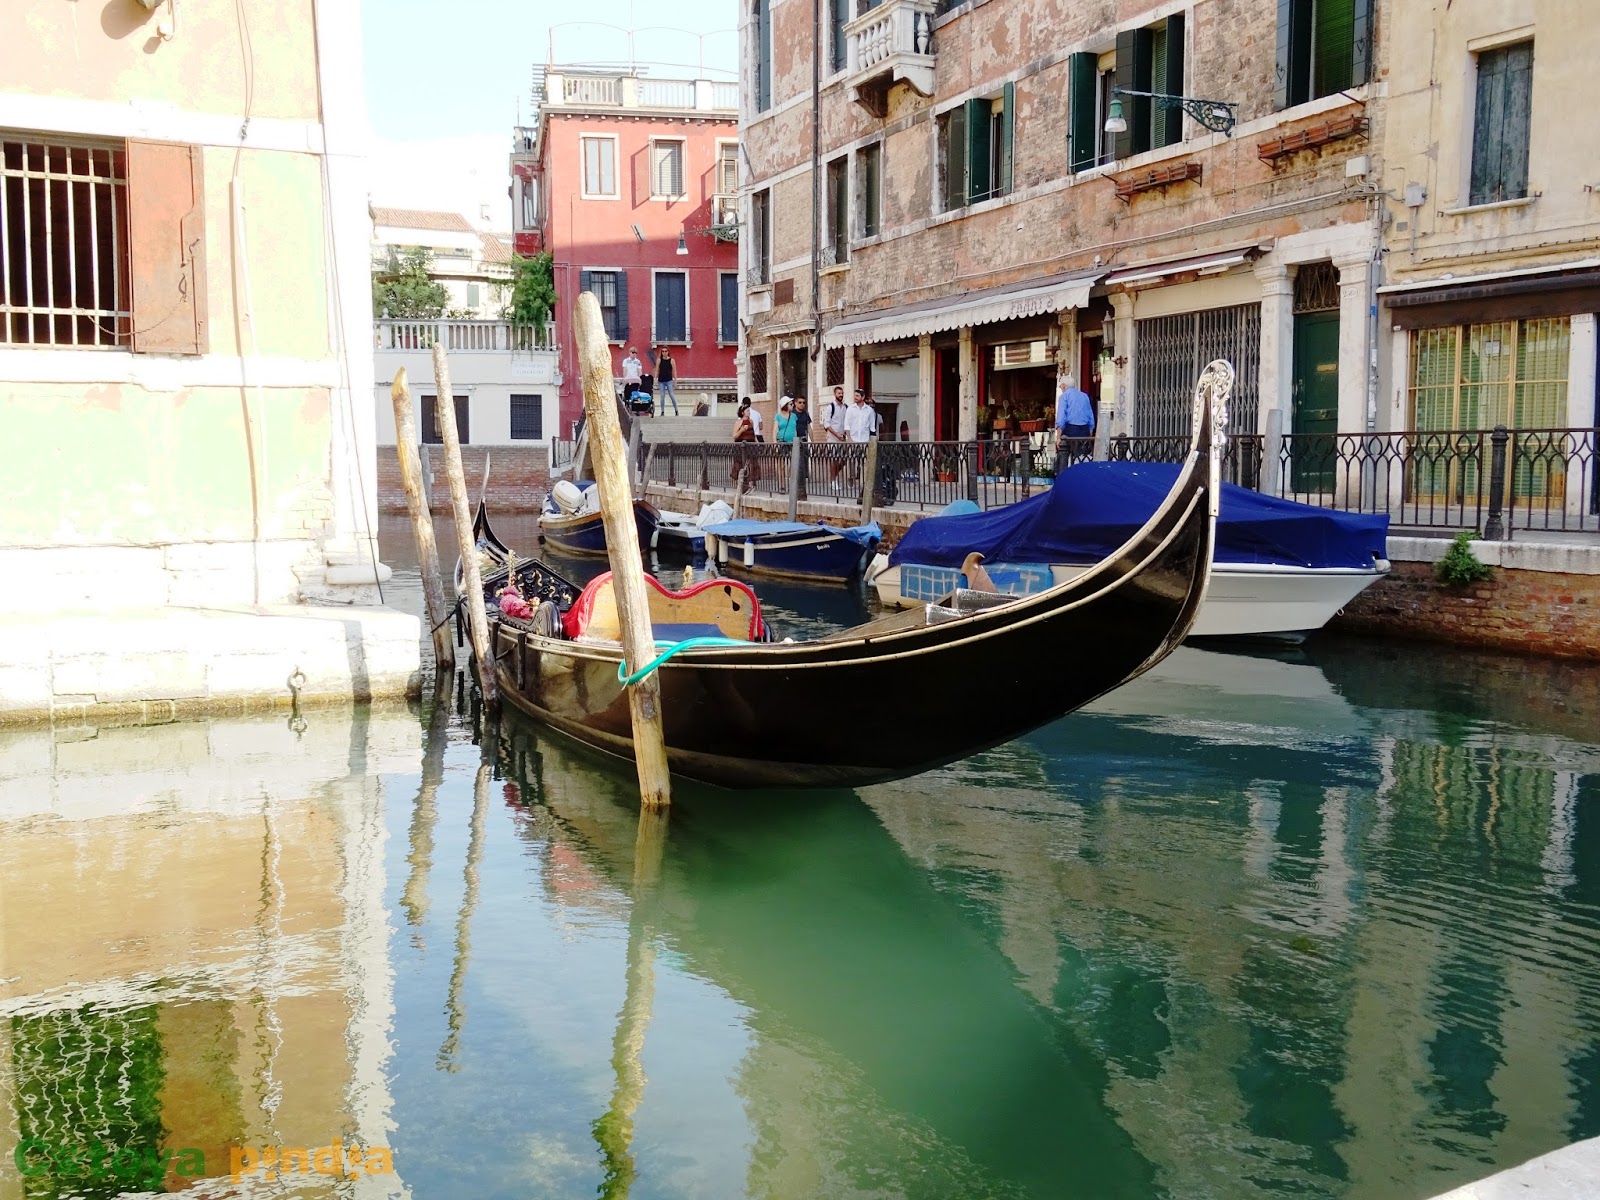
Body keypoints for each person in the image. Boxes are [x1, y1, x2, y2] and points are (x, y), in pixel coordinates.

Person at [1055, 373, 1095, 455]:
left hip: (1070, 430)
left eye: (1061, 387)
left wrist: (1058, 437)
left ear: (1064, 386)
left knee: (1065, 456)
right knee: (1083, 457)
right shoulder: (1084, 396)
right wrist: (1090, 431)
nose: (1061, 389)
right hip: (1084, 430)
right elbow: (1090, 415)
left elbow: (1061, 417)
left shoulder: (1064, 396)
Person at [820, 384, 850, 489]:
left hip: (843, 436)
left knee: (844, 459)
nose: (841, 395)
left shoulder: (846, 407)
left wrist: (845, 435)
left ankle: (834, 477)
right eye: (839, 393)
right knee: (834, 459)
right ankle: (833, 481)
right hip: (833, 437)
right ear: (835, 394)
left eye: (842, 393)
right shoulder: (830, 407)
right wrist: (836, 434)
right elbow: (827, 424)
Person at [732, 398, 759, 486]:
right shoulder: (739, 422)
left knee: (753, 462)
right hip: (741, 444)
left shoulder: (751, 421)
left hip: (751, 444)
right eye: (747, 411)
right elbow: (734, 436)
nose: (749, 412)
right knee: (740, 463)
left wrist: (756, 441)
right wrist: (742, 430)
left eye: (749, 411)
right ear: (743, 412)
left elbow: (753, 433)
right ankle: (741, 481)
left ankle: (752, 480)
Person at [657, 346, 678, 415]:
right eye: (663, 351)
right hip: (661, 380)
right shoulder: (659, 360)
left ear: (668, 352)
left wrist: (675, 381)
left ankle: (676, 410)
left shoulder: (672, 360)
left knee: (672, 395)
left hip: (669, 380)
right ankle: (662, 411)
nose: (664, 353)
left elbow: (674, 371)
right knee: (662, 396)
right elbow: (657, 370)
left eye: (665, 351)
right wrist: (655, 379)